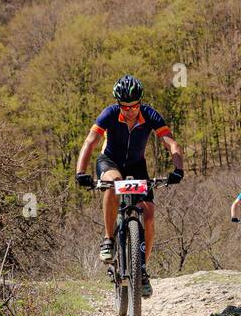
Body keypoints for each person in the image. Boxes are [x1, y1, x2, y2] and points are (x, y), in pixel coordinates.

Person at [75, 74, 184, 298]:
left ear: (140, 102)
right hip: (110, 162)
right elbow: (90, 141)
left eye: (134, 106)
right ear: (118, 104)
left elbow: (171, 142)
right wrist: (80, 172)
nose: (129, 110)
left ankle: (141, 269)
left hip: (137, 166)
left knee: (150, 213)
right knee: (113, 183)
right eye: (124, 106)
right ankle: (108, 240)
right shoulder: (110, 114)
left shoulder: (150, 115)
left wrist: (178, 169)